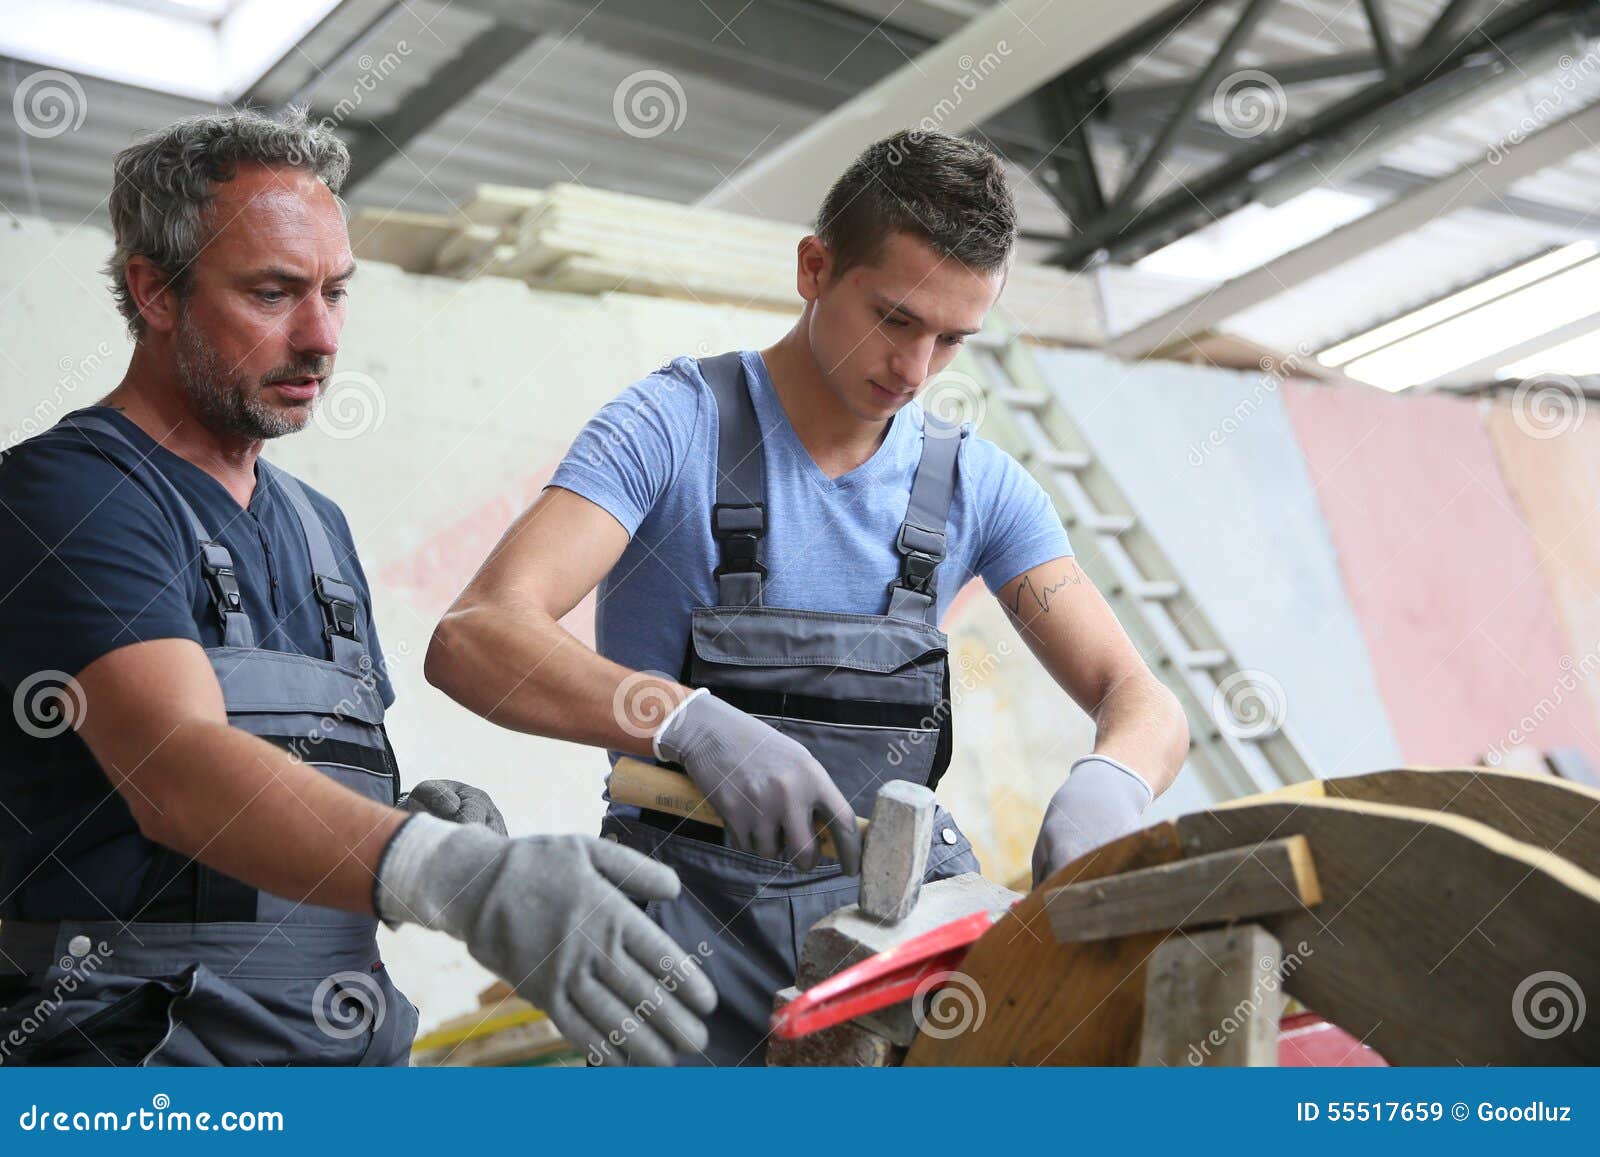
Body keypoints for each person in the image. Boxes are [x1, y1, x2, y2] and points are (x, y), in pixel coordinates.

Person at [424, 129, 1190, 1065]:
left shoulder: (980, 488)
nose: (915, 368)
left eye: (952, 339)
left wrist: (1113, 780)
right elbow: (474, 634)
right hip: (682, 952)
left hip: (893, 946)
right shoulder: (671, 428)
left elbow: (1139, 695)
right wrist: (687, 722)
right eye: (896, 318)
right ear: (814, 267)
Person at [0, 108, 712, 1067]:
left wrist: (405, 814)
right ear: (155, 292)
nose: (321, 336)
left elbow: (293, 778)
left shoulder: (315, 529)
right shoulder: (70, 494)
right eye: (272, 293)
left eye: (336, 292)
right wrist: (452, 872)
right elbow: (176, 771)